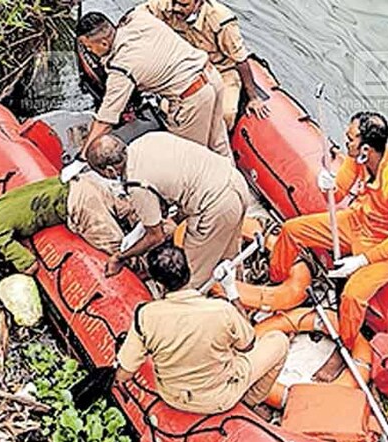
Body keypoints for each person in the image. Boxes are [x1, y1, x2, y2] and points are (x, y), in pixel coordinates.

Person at [269, 112, 388, 379]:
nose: (346, 143)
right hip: (359, 221)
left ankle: (345, 348)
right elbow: (338, 193)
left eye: (351, 139)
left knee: (352, 295)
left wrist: (362, 261)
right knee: (292, 230)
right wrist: (325, 184)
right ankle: (278, 283)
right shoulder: (358, 159)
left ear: (366, 148)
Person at [115, 243, 290, 415]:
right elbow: (248, 345)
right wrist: (232, 291)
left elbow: (124, 374)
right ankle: (249, 402)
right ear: (189, 271)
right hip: (219, 397)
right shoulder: (222, 310)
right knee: (279, 341)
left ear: (158, 283)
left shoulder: (146, 315)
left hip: (172, 395)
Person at [85, 132, 247, 289]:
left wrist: (121, 257)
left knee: (186, 274)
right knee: (230, 254)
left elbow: (156, 237)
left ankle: (191, 307)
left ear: (110, 171)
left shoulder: (137, 185)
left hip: (216, 206)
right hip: (234, 180)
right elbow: (173, 180)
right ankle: (237, 290)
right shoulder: (147, 140)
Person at [76, 10, 231, 158]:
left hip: (193, 97)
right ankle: (234, 179)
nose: (90, 51)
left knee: (190, 156)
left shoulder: (121, 68)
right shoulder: (138, 18)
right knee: (218, 142)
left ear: (104, 43)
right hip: (211, 76)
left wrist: (83, 156)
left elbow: (105, 121)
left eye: (89, 47)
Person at [0, 175, 136, 271]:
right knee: (132, 211)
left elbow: (30, 265)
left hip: (77, 203)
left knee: (122, 251)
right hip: (79, 182)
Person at [142, 0, 270, 129]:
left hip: (222, 70)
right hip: (187, 65)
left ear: (199, 3)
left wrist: (253, 98)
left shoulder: (221, 20)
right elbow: (138, 16)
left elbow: (240, 59)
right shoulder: (164, 5)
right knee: (168, 105)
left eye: (184, 5)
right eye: (175, 3)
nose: (176, 8)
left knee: (226, 114)